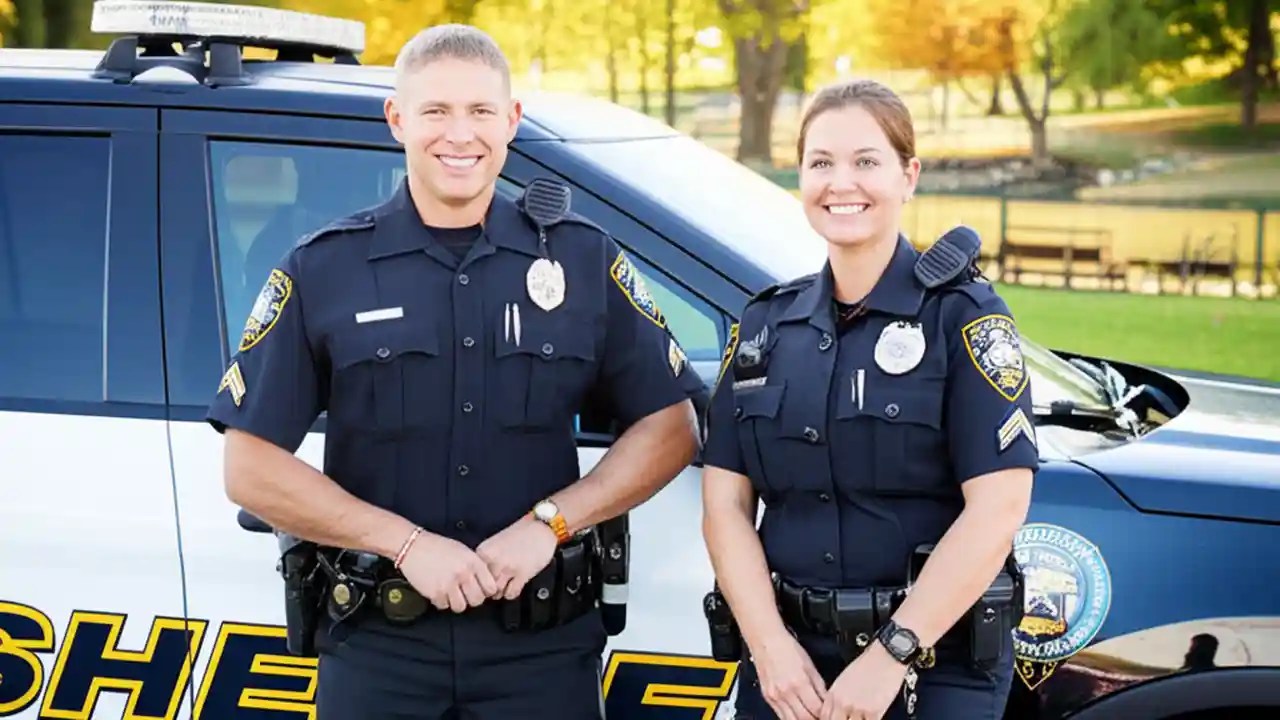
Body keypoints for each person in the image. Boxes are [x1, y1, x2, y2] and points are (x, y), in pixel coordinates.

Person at [207, 24, 704, 720]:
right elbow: (249, 467)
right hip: (377, 644)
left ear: (512, 121)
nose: (458, 134)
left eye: (478, 112)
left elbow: (672, 426)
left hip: (542, 648)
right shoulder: (325, 268)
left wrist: (551, 525)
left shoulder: (582, 261)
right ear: (397, 119)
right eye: (435, 111)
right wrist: (405, 543)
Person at [700, 78, 1037, 720]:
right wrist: (769, 648)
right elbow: (724, 508)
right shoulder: (765, 329)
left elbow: (998, 508)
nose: (840, 182)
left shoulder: (961, 318)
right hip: (790, 667)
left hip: (933, 667)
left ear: (908, 175)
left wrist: (891, 655)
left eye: (866, 161)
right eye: (821, 163)